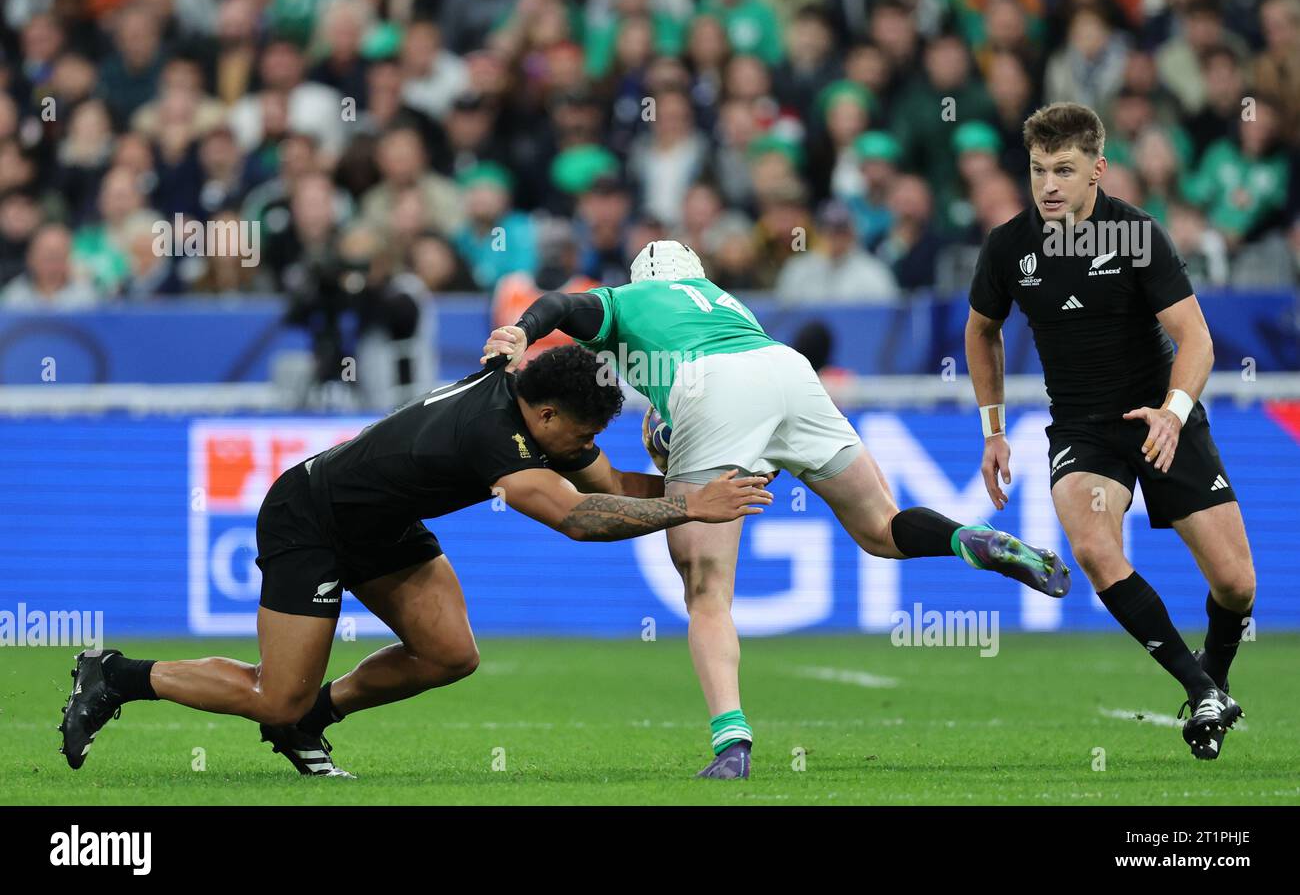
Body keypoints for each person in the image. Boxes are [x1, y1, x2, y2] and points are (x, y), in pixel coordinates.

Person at [481, 239, 1070, 780]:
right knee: (882, 528)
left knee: (706, 589)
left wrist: (520, 331)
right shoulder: (721, 300)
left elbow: (561, 303)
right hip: (788, 371)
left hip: (713, 386)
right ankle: (972, 538)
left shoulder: (628, 298)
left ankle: (730, 742)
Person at [59, 347, 773, 777]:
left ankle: (313, 719)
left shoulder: (534, 403)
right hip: (310, 515)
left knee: (449, 652)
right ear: (548, 418)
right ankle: (117, 675)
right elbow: (578, 519)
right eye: (582, 434)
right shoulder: (496, 439)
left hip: (381, 521)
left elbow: (611, 489)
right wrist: (689, 507)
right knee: (272, 694)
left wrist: (696, 488)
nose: (588, 447)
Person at [965, 102, 1254, 760]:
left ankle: (1216, 679)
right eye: (1038, 170)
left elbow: (1197, 340)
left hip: (1161, 418)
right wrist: (994, 430)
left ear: (1098, 169)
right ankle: (1198, 689)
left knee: (1237, 586)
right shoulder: (1009, 247)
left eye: (1064, 170)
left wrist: (1174, 413)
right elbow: (980, 332)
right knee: (1094, 549)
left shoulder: (1137, 235)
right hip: (1084, 431)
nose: (1049, 187)